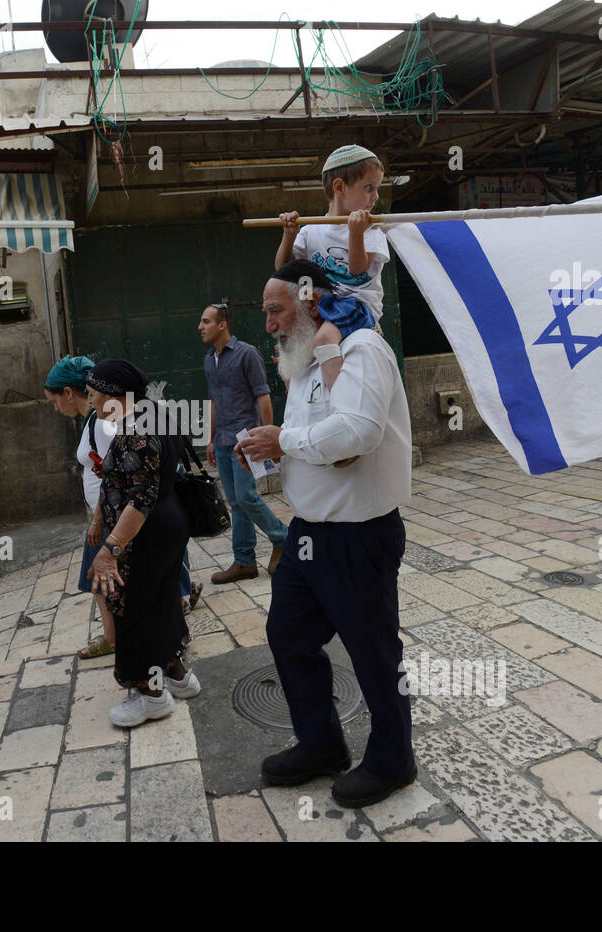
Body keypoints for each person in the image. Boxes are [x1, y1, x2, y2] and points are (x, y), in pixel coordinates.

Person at [237, 260, 416, 809]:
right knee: (288, 636)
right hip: (308, 535)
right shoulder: (306, 363)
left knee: (372, 652)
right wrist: (273, 447)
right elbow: (308, 433)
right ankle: (321, 744)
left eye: (276, 309)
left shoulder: (362, 351)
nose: (267, 323)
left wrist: (284, 443)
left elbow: (358, 431)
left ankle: (392, 760)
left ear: (311, 301)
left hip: (359, 538)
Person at [44, 356, 203, 663]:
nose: (90, 400)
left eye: (93, 393)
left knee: (132, 597)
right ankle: (166, 661)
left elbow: (135, 489)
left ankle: (145, 671)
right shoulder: (127, 418)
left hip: (130, 524)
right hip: (130, 521)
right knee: (142, 593)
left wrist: (109, 540)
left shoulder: (118, 426)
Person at [83, 359, 199, 727]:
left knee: (134, 610)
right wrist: (99, 518)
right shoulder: (154, 415)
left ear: (114, 395)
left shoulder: (137, 430)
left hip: (147, 532)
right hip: (167, 526)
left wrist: (109, 550)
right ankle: (178, 676)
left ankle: (151, 696)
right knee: (162, 600)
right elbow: (117, 481)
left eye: (93, 394)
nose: (90, 402)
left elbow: (140, 499)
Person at [276, 144, 390, 390]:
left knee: (324, 339)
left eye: (376, 188)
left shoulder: (372, 230)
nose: (376, 196)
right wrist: (289, 235)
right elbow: (283, 272)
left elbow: (357, 269)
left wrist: (355, 233)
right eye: (369, 188)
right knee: (287, 350)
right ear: (339, 188)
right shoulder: (310, 231)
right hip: (322, 305)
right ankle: (298, 410)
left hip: (356, 305)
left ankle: (341, 398)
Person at [198, 302, 289, 583]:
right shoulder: (209, 359)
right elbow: (212, 400)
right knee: (236, 502)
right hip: (223, 438)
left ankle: (283, 537)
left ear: (222, 324)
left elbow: (263, 396)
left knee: (246, 496)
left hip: (245, 438)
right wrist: (210, 439)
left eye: (205, 321)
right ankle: (245, 561)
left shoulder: (247, 354)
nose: (200, 327)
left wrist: (265, 437)